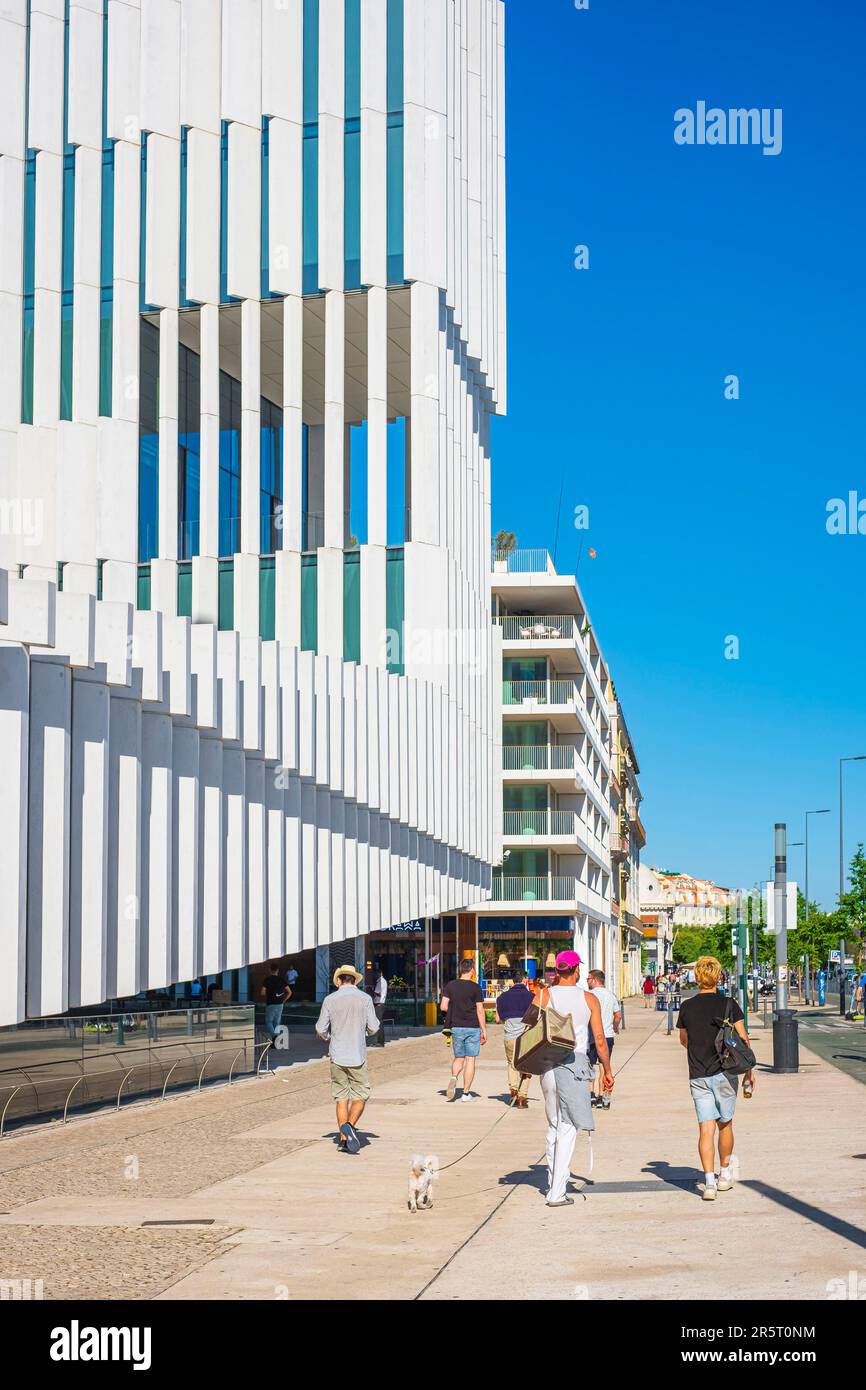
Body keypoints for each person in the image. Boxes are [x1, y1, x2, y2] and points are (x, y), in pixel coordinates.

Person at [676, 955, 755, 1202]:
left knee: (705, 1128)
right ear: (719, 977)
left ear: (697, 977)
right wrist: (749, 1073)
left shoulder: (687, 1007)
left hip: (698, 1074)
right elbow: (743, 1041)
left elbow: (684, 1040)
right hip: (725, 1072)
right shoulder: (728, 1005)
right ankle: (723, 1175)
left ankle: (708, 1183)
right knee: (726, 1124)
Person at [540, 951, 613, 1208]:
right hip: (574, 1064)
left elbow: (530, 1027)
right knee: (568, 1126)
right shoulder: (589, 999)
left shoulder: (544, 995)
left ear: (558, 970)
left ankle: (553, 1179)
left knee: (553, 1124)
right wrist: (607, 1069)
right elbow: (600, 1040)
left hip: (547, 1063)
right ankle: (557, 1191)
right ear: (576, 970)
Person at [315, 965, 380, 1153]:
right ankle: (350, 1126)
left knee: (341, 1098)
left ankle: (343, 1141)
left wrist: (329, 1037)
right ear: (354, 980)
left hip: (337, 1055)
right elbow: (374, 1027)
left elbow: (320, 1028)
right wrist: (364, 1032)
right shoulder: (365, 999)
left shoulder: (330, 999)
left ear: (339, 980)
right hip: (357, 1054)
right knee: (361, 1095)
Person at [441, 958, 486, 1102]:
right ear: (472, 970)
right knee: (470, 1060)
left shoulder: (450, 986)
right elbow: (480, 1010)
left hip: (456, 1027)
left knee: (458, 1057)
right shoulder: (476, 988)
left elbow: (443, 1006)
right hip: (472, 1027)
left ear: (460, 970)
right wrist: (483, 1029)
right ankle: (466, 1094)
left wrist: (453, 1012)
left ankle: (454, 1078)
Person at [494, 970, 534, 1108]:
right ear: (524, 979)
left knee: (512, 1064)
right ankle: (522, 1098)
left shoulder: (502, 998)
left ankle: (513, 1089)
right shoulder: (531, 997)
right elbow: (537, 1018)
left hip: (509, 1038)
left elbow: (497, 1019)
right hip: (526, 1038)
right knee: (527, 1065)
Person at [586, 969, 621, 1109]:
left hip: (592, 1035)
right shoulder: (611, 995)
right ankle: (602, 1096)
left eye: (588, 979)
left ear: (594, 980)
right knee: (604, 1066)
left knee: (589, 1065)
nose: (587, 981)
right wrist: (615, 1027)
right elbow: (617, 1015)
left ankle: (591, 1095)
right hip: (607, 1035)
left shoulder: (589, 995)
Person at [260, 962, 292, 1045]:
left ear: (270, 970)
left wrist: (269, 994)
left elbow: (262, 993)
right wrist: (283, 1000)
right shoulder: (282, 980)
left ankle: (275, 1037)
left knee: (268, 1022)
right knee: (277, 1023)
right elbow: (289, 992)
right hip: (280, 1004)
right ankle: (276, 1042)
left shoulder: (267, 980)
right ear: (278, 970)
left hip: (271, 1004)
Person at [371, 967, 388, 1047]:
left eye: (376, 973)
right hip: (380, 1003)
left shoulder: (380, 981)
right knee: (378, 1022)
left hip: (379, 1003)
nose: (375, 975)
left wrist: (371, 991)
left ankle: (380, 1042)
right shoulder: (382, 981)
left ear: (380, 973)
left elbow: (377, 993)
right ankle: (379, 1041)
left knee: (379, 1023)